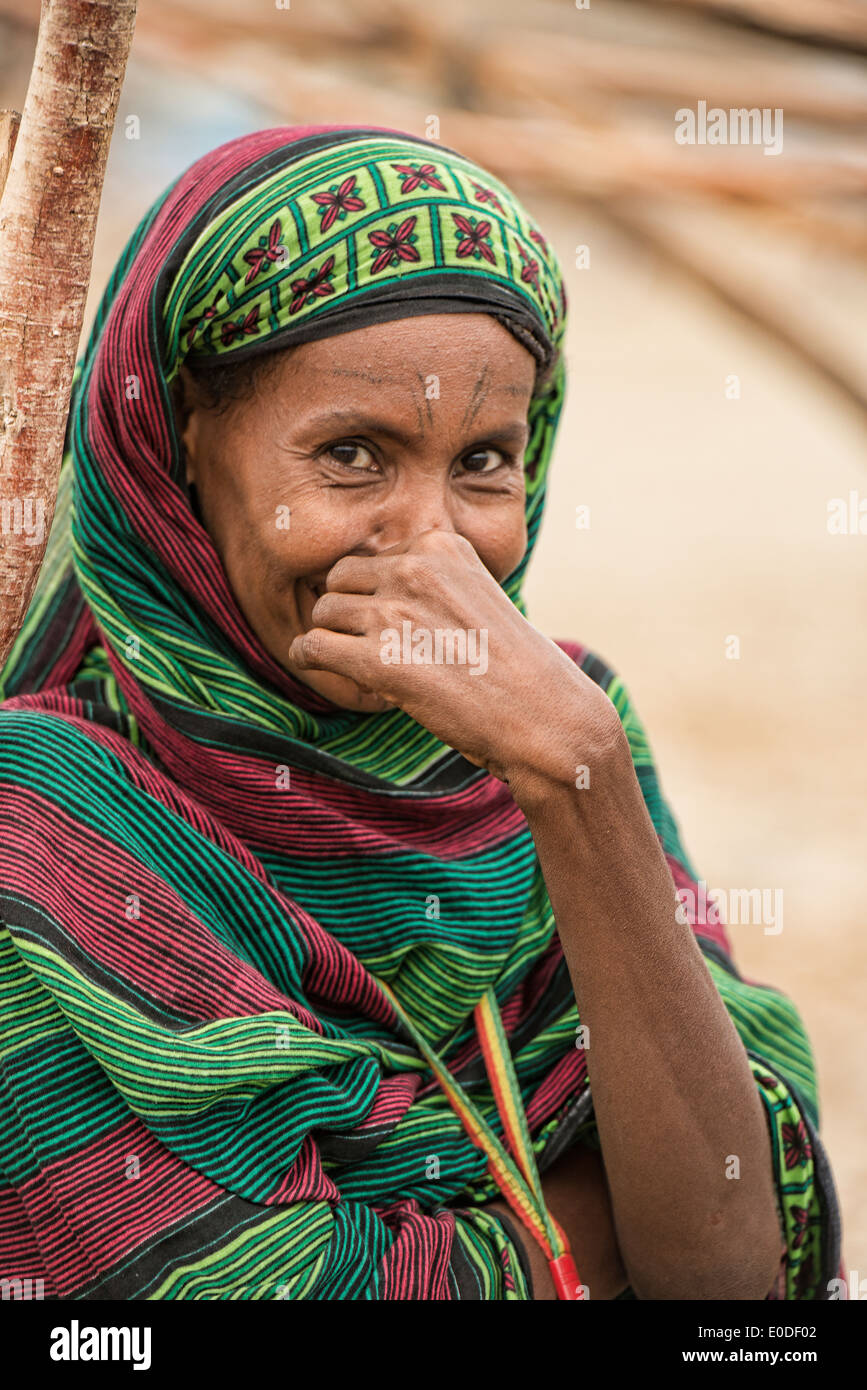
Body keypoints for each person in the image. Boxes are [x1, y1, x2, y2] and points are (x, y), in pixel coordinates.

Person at [0, 125, 840, 1300]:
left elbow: (740, 1273)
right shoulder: (45, 819)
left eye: (486, 462)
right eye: (351, 455)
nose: (435, 547)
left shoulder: (565, 724)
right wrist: (582, 1240)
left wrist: (582, 787)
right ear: (180, 439)